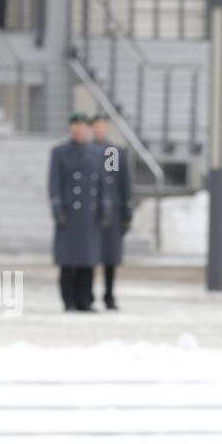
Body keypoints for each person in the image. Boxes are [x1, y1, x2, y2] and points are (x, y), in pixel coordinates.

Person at [48, 112, 107, 312]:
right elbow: (54, 183)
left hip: (91, 213)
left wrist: (109, 207)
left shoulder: (110, 152)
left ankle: (92, 299)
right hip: (70, 212)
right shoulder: (60, 151)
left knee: (90, 260)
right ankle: (70, 300)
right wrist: (57, 208)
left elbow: (109, 182)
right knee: (69, 260)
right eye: (75, 126)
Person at [90, 113, 132, 310]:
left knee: (110, 256)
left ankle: (109, 294)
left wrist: (125, 210)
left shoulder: (111, 153)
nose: (99, 130)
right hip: (92, 209)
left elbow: (113, 180)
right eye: (95, 127)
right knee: (88, 255)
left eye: (102, 126)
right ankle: (87, 294)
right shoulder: (88, 150)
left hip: (111, 210)